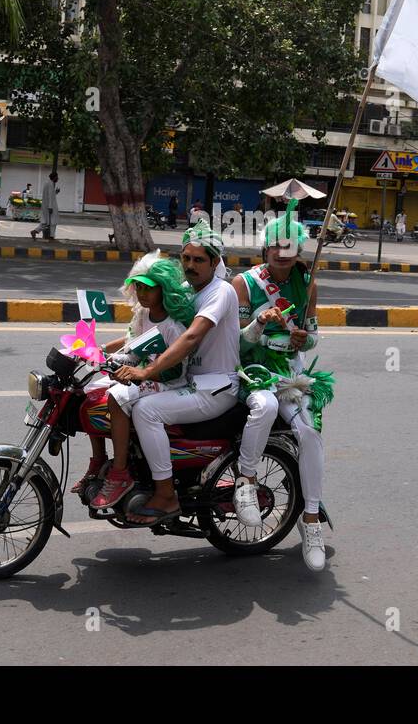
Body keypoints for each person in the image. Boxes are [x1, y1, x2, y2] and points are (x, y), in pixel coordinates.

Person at [112, 220, 240, 526]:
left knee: (146, 411)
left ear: (215, 262)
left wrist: (148, 371)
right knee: (114, 393)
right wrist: (102, 351)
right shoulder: (185, 290)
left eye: (198, 260)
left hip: (214, 388)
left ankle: (166, 495)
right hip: (184, 381)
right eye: (186, 258)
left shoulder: (220, 292)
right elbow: (146, 332)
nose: (190, 266)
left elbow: (191, 336)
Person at [231, 199, 334, 571]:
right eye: (277, 245)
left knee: (309, 432)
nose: (283, 253)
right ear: (266, 247)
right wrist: (259, 324)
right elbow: (237, 344)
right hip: (254, 369)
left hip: (291, 372)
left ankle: (310, 520)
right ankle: (246, 481)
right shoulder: (244, 284)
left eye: (291, 247)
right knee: (266, 407)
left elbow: (314, 337)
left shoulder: (307, 283)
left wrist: (302, 339)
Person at [77, 253, 197, 508]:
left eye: (148, 288)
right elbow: (133, 347)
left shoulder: (173, 326)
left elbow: (173, 370)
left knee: (118, 397)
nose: (141, 293)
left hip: (168, 383)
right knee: (88, 392)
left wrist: (140, 372)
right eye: (138, 286)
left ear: (163, 290)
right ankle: (98, 460)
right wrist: (101, 354)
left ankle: (120, 473)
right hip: (144, 373)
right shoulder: (144, 315)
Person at [32, 171, 59, 239]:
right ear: (54, 177)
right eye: (57, 177)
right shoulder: (50, 184)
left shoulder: (48, 183)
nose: (58, 179)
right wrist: (50, 207)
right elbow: (50, 196)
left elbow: (51, 195)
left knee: (46, 222)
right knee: (53, 222)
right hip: (50, 206)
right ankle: (51, 236)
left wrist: (55, 192)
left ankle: (35, 231)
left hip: (47, 206)